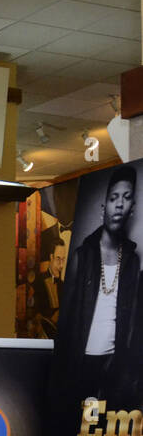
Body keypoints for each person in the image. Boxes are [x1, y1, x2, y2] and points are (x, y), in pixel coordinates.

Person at [51, 164, 142, 407]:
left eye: (126, 198)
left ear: (132, 208)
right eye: (113, 198)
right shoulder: (83, 255)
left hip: (114, 363)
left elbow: (133, 320)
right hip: (81, 361)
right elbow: (67, 318)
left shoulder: (132, 260)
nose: (119, 204)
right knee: (76, 430)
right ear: (104, 208)